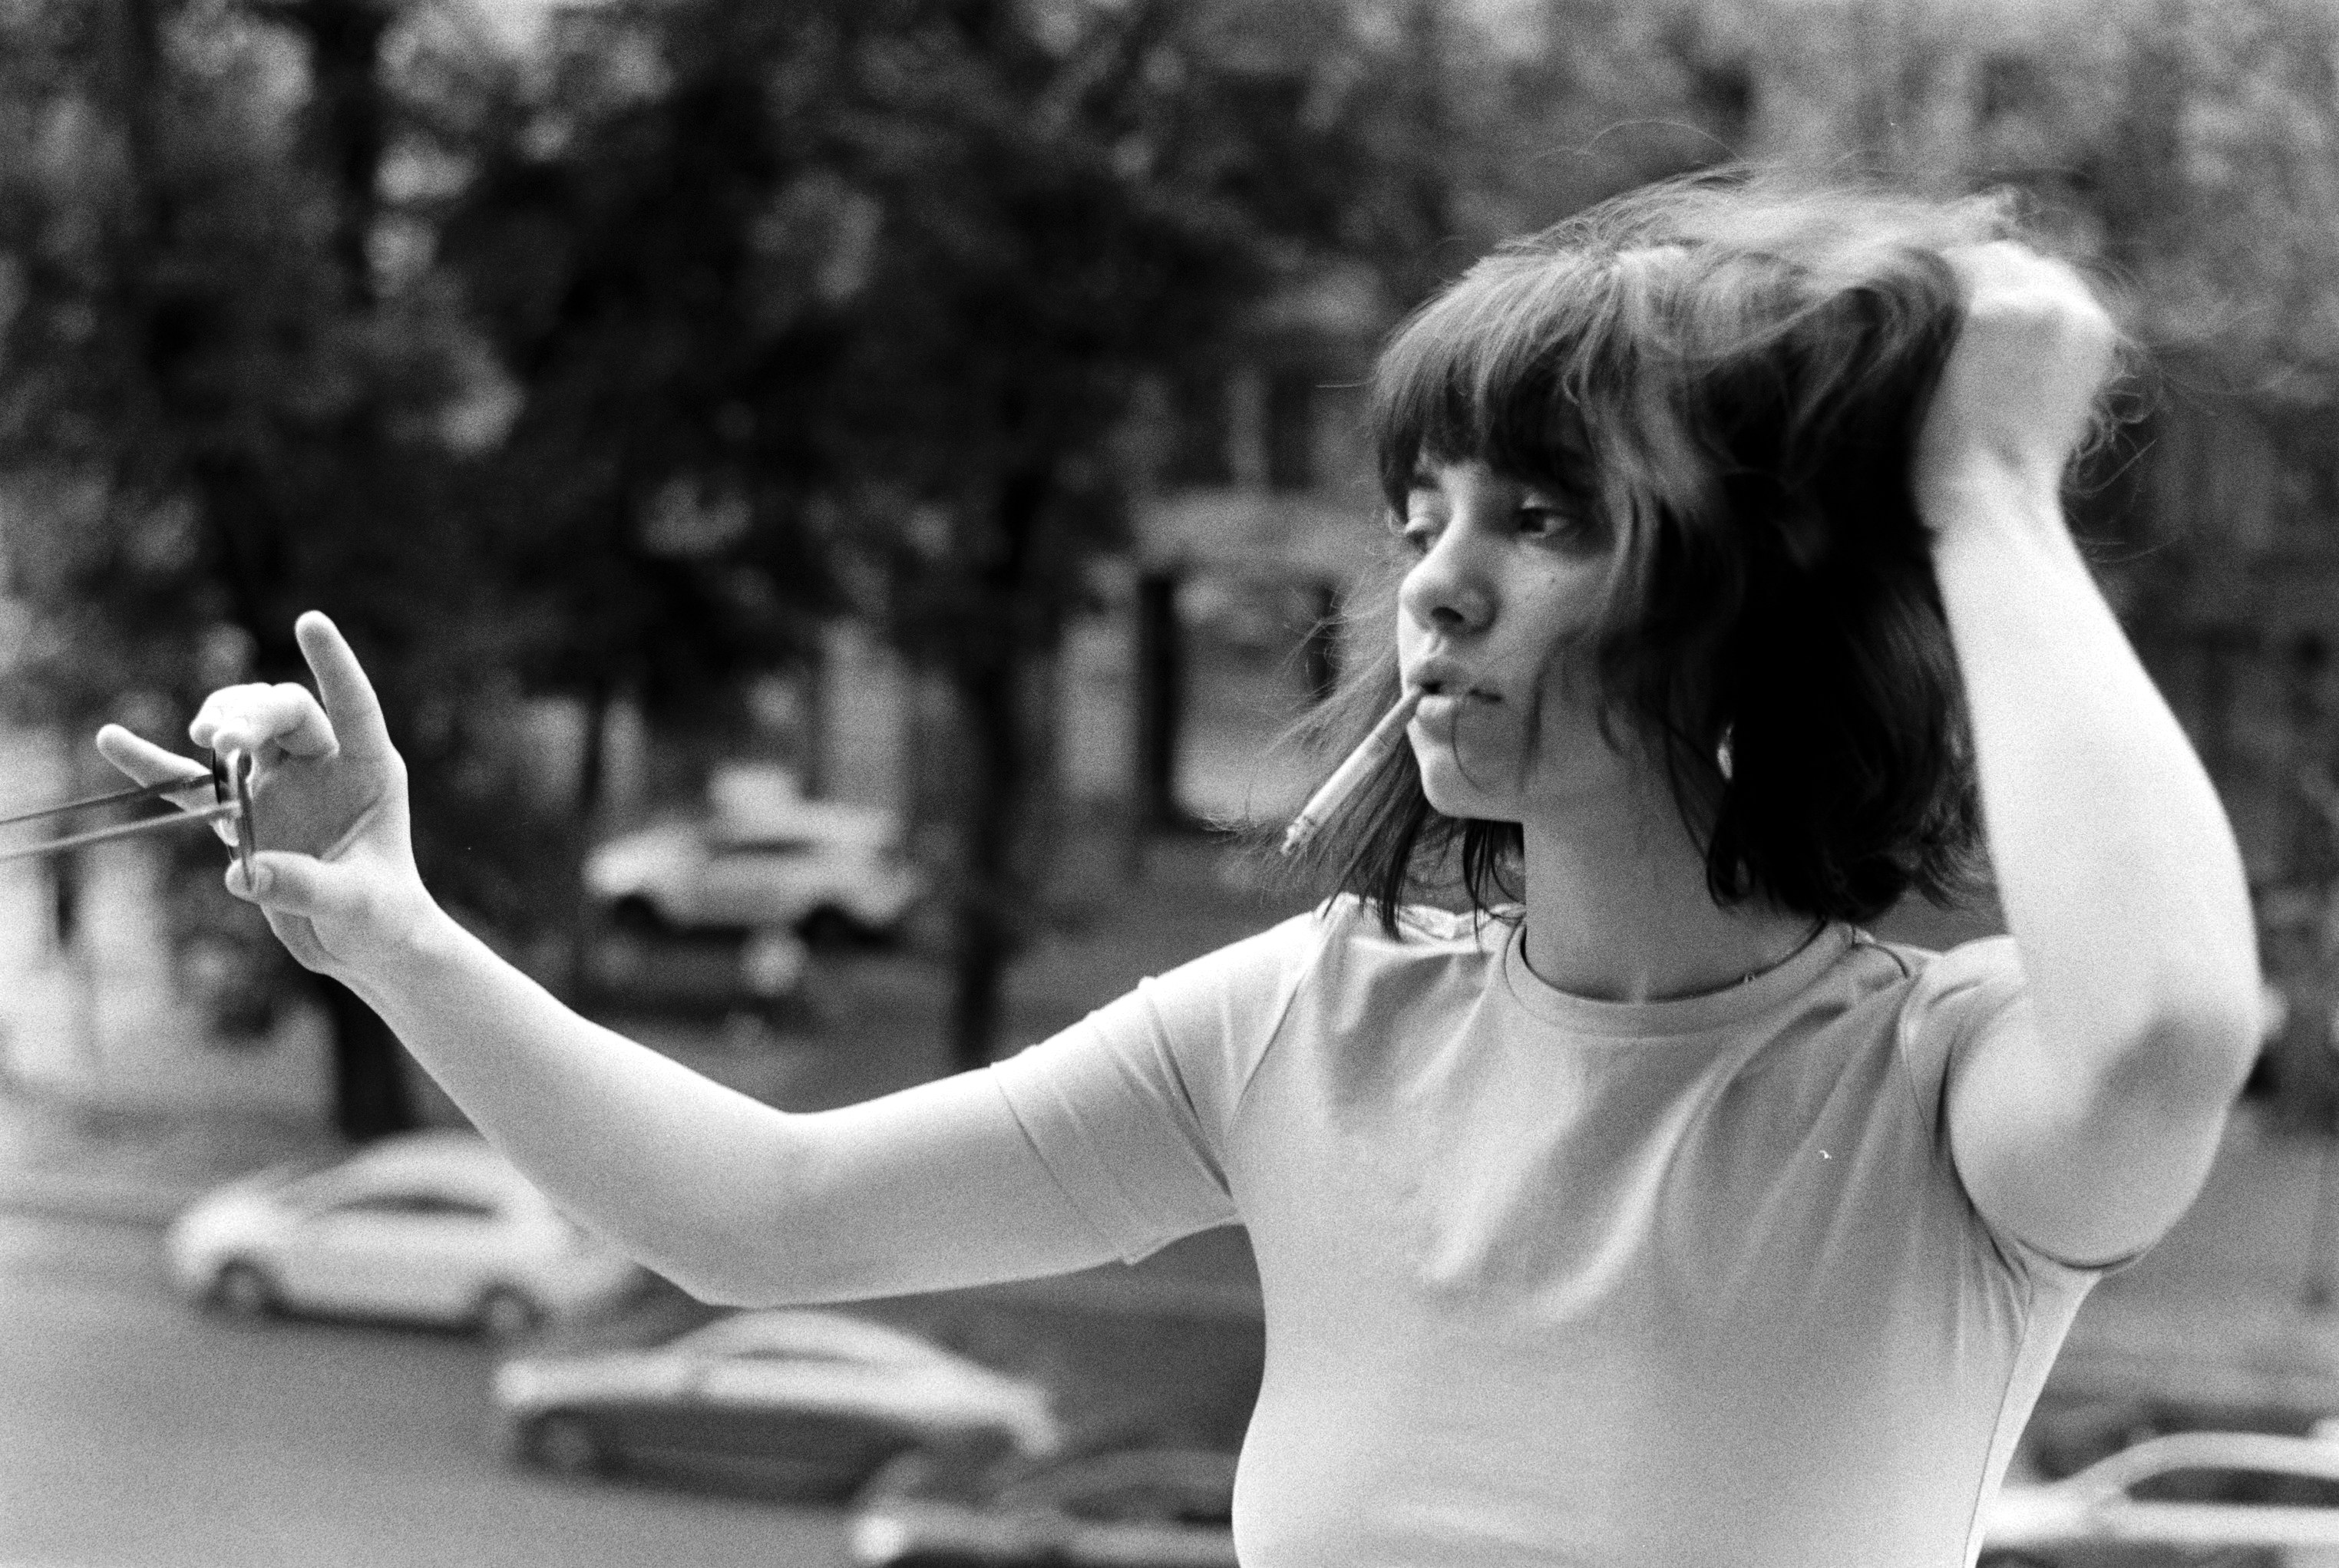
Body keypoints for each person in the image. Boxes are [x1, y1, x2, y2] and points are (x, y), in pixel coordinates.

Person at [99, 173, 2260, 1566]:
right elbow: (761, 1214)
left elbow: (2170, 1023)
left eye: (1542, 516)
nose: (1437, 583)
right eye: (1419, 514)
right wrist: (384, 925)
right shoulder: (1308, 1023)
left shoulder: (1940, 1110)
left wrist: (1980, 481)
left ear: (1747, 598)